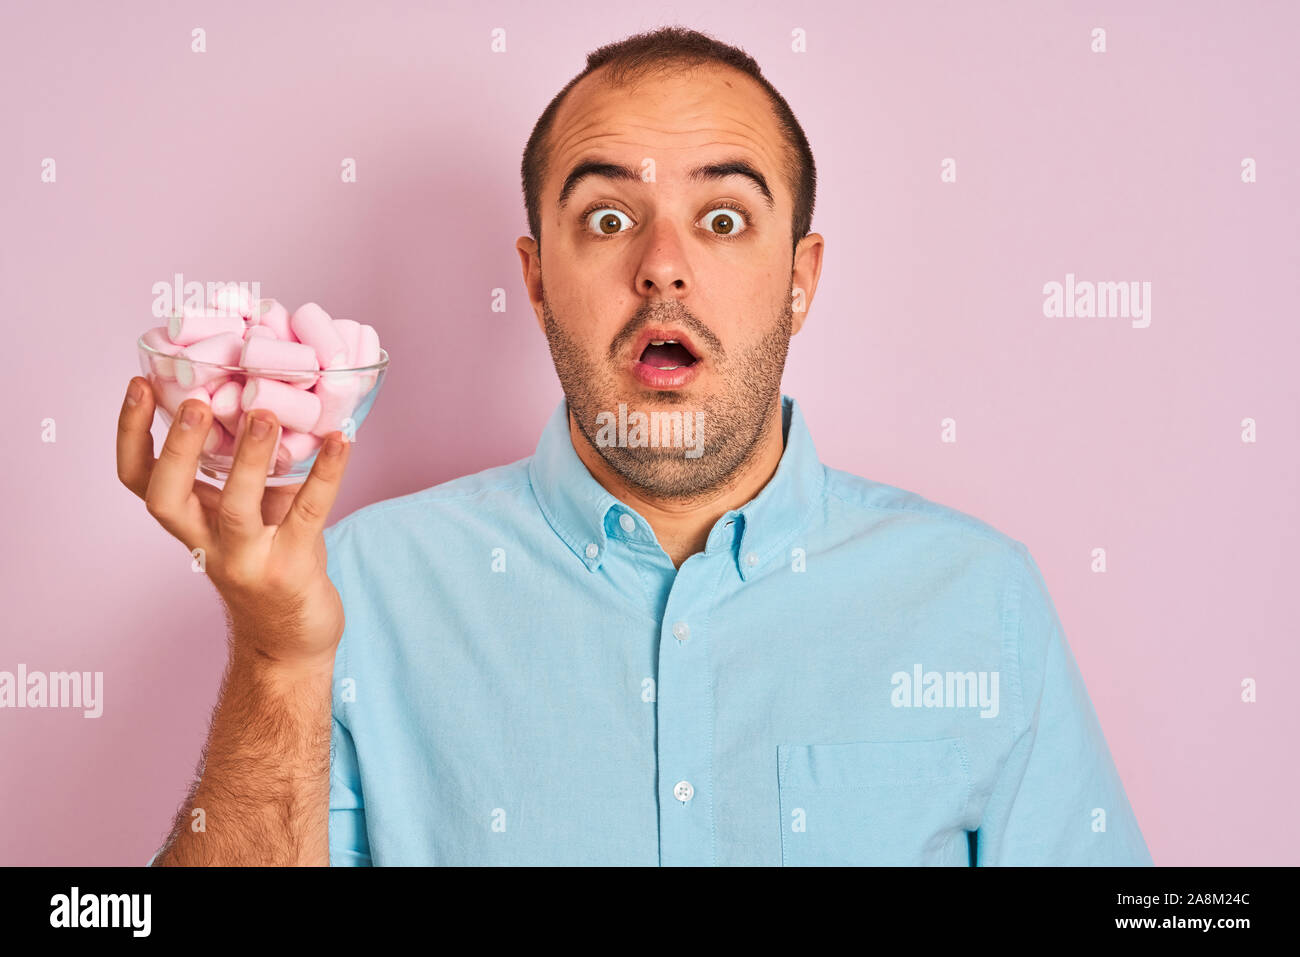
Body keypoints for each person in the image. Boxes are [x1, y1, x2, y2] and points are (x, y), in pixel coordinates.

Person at [120, 26, 1152, 866]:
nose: (663, 267)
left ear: (801, 279)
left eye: (723, 219)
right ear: (533, 280)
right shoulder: (355, 594)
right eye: (609, 217)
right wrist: (276, 655)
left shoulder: (975, 598)